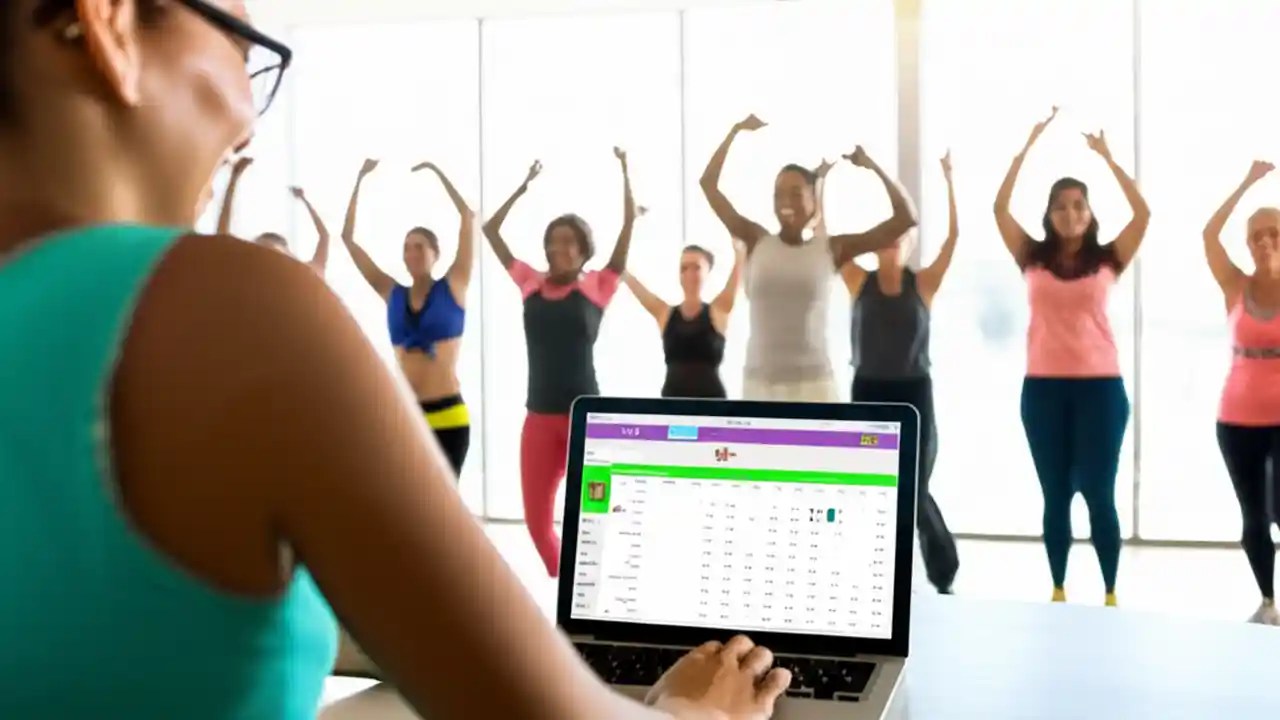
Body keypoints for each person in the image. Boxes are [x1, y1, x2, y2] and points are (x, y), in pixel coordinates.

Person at [0, 1, 789, 718]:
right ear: (107, 23)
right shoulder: (228, 309)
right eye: (247, 48)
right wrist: (703, 710)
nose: (247, 115)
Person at [993, 106, 1150, 607]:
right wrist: (1027, 147)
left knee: (1099, 496)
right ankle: (1058, 590)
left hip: (1101, 392)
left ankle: (1110, 592)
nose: (1070, 213)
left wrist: (1106, 158)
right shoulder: (1031, 257)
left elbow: (1143, 214)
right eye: (1060, 206)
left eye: (1078, 205)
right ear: (1049, 214)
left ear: (1089, 211)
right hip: (1042, 391)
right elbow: (999, 209)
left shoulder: (1109, 258)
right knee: (1055, 496)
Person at [483, 149, 638, 578]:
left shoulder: (599, 286)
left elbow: (629, 227)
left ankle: (601, 595)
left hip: (586, 419)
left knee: (597, 518)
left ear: (584, 249)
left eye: (569, 240)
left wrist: (626, 172)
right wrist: (522, 186)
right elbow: (490, 229)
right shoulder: (530, 282)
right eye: (554, 238)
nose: (559, 246)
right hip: (538, 418)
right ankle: (568, 587)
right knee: (537, 526)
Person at [699, 114, 917, 401]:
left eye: (795, 193)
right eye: (778, 194)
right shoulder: (755, 239)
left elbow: (905, 219)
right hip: (759, 387)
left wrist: (873, 166)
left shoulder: (831, 249)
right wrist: (734, 131)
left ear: (814, 200)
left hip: (815, 387)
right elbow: (708, 185)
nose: (785, 202)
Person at [842, 150, 960, 594]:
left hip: (913, 393)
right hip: (868, 391)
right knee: (872, 488)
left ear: (908, 243)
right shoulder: (858, 279)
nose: (892, 243)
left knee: (914, 487)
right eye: (886, 237)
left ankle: (943, 571)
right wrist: (827, 181)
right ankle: (871, 573)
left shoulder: (922, 284)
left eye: (900, 238)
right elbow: (826, 242)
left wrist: (948, 181)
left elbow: (952, 240)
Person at [340, 157, 475, 477]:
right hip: (407, 416)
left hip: (448, 414)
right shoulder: (392, 292)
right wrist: (359, 179)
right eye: (407, 247)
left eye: (420, 246)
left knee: (442, 511)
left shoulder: (453, 285)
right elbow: (348, 239)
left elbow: (467, 217)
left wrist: (437, 170)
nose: (412, 253)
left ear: (435, 253)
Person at [1202, 159, 1280, 626]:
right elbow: (1209, 236)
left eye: (1275, 233)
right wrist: (1246, 183)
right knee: (1253, 513)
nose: (1267, 241)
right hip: (1237, 419)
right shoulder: (1235, 285)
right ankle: (1269, 601)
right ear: (1248, 245)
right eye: (1257, 236)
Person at [623, 234, 744, 398]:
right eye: (684, 268)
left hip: (712, 406)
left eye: (696, 267)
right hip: (673, 406)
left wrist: (739, 251)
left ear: (708, 271)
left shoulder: (719, 310)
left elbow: (738, 269)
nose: (690, 274)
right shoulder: (664, 314)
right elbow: (631, 281)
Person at [216, 154, 330, 274]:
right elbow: (324, 237)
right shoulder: (304, 271)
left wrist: (234, 178)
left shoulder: (303, 271)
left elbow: (221, 237)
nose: (270, 250)